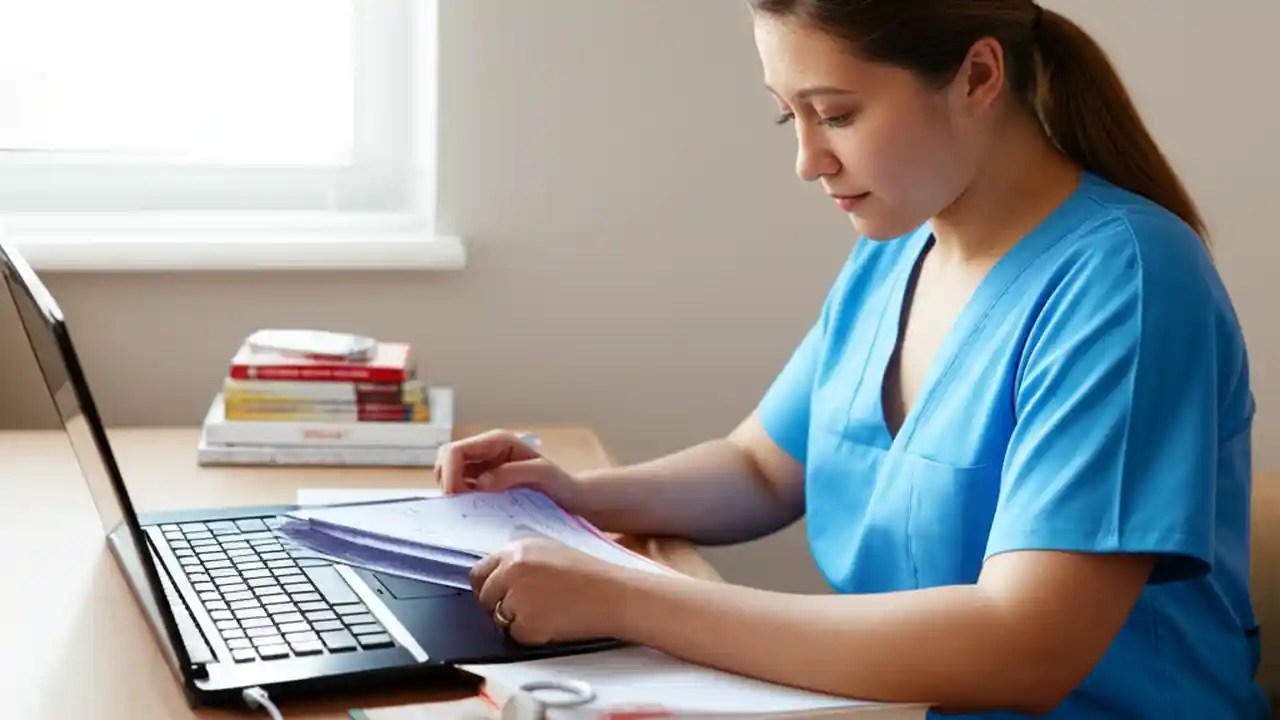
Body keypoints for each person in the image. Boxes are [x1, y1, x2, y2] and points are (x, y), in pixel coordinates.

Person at [436, 2, 1267, 717]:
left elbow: (1025, 650)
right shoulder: (901, 246)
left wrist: (629, 598)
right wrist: (577, 494)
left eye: (835, 114)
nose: (807, 161)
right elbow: (762, 467)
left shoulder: (1128, 281)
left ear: (980, 76)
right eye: (786, 116)